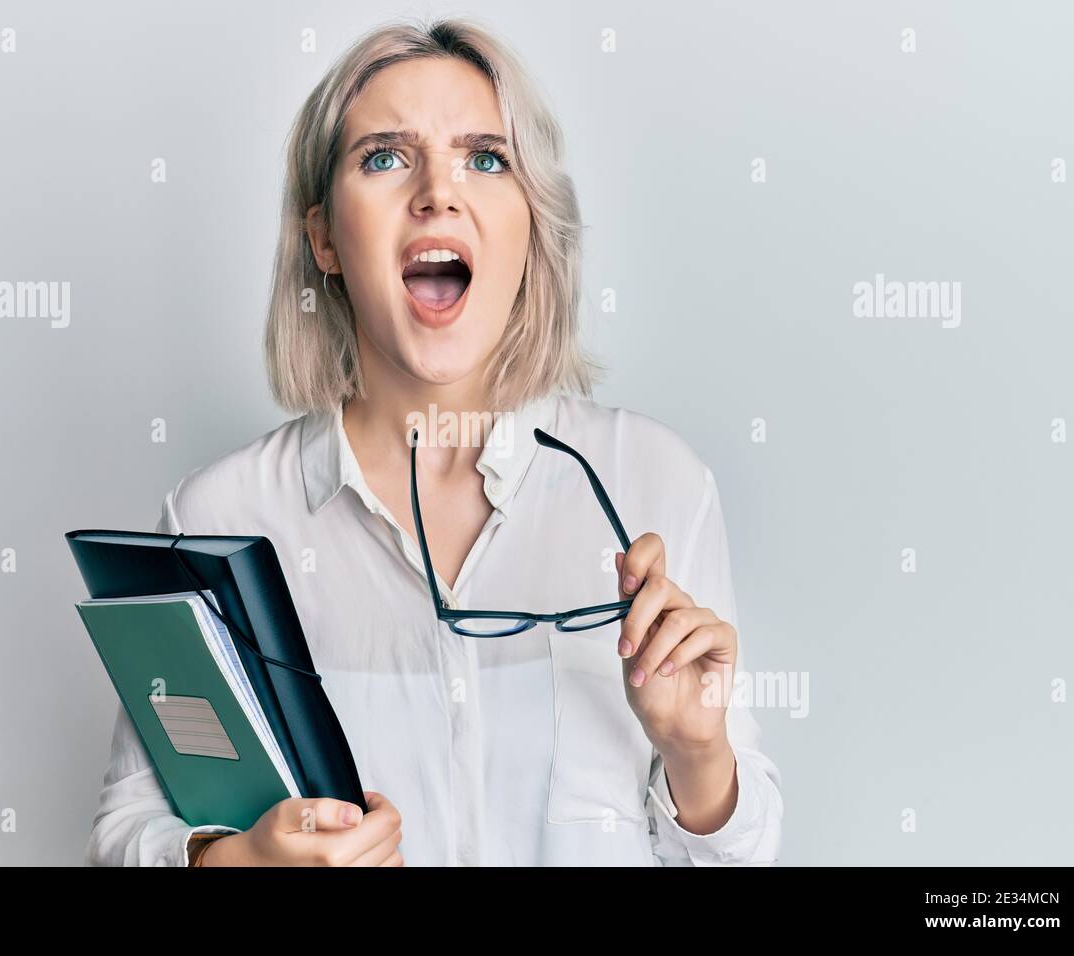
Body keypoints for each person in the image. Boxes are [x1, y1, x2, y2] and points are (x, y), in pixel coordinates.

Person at [85, 16, 783, 867]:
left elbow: (737, 857)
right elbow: (128, 831)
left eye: (486, 158)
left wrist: (696, 753)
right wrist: (239, 862)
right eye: (383, 156)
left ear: (531, 229)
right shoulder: (217, 516)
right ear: (324, 240)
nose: (437, 193)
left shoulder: (656, 484)